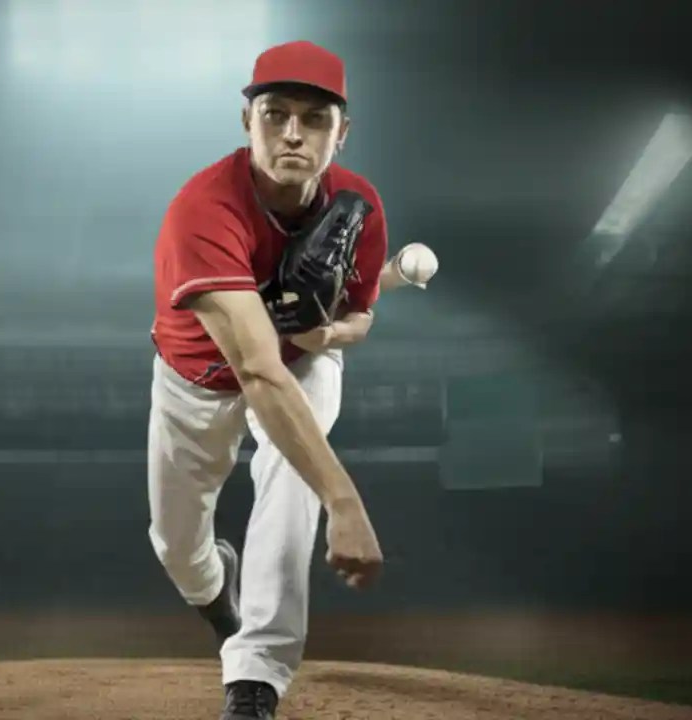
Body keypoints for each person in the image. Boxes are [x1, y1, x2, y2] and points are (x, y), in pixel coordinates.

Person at [148, 40, 403, 720]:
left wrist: (332, 333)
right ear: (247, 122)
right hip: (197, 378)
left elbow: (360, 318)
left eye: (315, 118)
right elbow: (254, 369)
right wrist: (347, 503)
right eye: (276, 113)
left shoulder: (360, 205)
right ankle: (215, 585)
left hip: (300, 362)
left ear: (341, 132)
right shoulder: (202, 210)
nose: (294, 131)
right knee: (176, 545)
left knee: (297, 459)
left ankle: (256, 673)